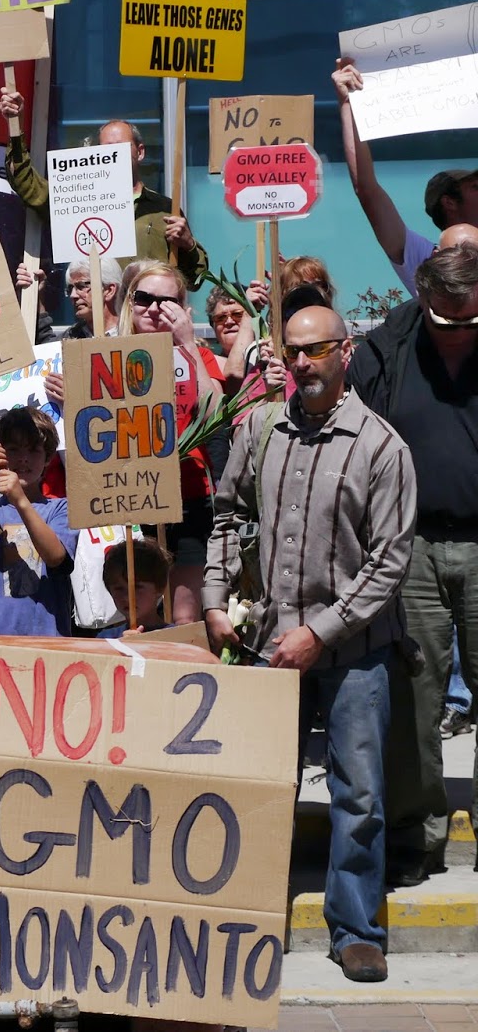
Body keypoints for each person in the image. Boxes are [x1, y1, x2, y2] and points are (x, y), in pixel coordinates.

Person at [204, 304, 416, 986]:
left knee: (360, 794)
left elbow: (389, 561)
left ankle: (356, 930)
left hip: (356, 652)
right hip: (270, 645)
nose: (302, 363)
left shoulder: (382, 447)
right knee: (264, 784)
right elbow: (229, 513)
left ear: (345, 352)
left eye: (316, 350)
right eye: (293, 351)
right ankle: (250, 914)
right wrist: (214, 598)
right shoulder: (262, 430)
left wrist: (319, 632)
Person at [347, 244, 478, 887]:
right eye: (446, 319)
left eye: (471, 319)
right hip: (412, 541)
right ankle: (416, 834)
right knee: (414, 694)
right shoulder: (386, 348)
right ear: (422, 299)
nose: (459, 331)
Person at [0, 87, 207, 288]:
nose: (114, 154)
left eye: (122, 147)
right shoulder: (80, 200)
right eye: (107, 149)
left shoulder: (164, 210)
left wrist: (188, 244)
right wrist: (15, 126)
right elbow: (28, 185)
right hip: (98, 311)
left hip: (147, 309)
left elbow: (194, 279)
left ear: (140, 152)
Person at [118, 261, 223, 622]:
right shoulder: (106, 356)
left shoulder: (198, 355)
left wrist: (188, 344)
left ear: (182, 308)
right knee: (137, 619)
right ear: (130, 302)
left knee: (184, 619)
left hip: (189, 500)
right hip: (130, 498)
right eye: (144, 298)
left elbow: (215, 414)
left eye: (167, 302)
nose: (153, 308)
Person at [333, 57, 478, 290]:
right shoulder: (424, 259)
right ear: (449, 202)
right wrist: (348, 103)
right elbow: (368, 191)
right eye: (475, 187)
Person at [0, 407, 76, 636]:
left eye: (34, 450)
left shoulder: (61, 508)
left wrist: (20, 500)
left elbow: (56, 558)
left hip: (46, 638)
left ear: (48, 457)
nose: (24, 458)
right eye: (13, 450)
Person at [100, 537, 171, 635]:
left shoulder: (178, 636)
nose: (127, 597)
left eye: (137, 587)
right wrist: (121, 643)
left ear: (160, 588)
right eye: (119, 588)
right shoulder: (106, 639)